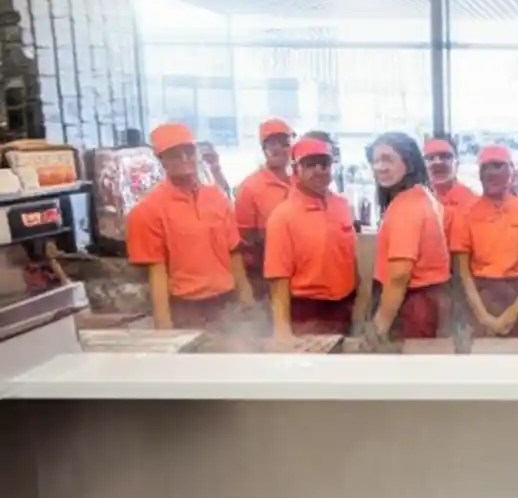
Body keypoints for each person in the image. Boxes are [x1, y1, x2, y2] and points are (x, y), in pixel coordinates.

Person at [126, 123, 253, 330]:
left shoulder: (216, 198)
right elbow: (156, 273)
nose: (185, 159)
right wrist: (164, 328)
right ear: (162, 161)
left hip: (227, 304)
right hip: (186, 309)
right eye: (175, 155)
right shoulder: (148, 211)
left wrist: (246, 297)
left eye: (188, 152)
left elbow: (234, 252)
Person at [263, 138, 358, 338]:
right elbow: (278, 278)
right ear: (296, 169)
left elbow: (350, 259)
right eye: (310, 164)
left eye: (324, 164)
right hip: (306, 311)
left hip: (344, 305)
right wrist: (282, 330)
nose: (318, 170)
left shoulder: (342, 205)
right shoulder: (283, 216)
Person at [368, 132, 451, 340]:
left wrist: (379, 326)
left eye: (388, 159)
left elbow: (398, 276)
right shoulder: (422, 195)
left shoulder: (406, 206)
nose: (380, 167)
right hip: (424, 302)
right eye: (375, 160)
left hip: (410, 306)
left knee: (406, 369)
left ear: (409, 162)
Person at [452, 145, 518, 338]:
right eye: (485, 167)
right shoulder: (465, 213)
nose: (491, 173)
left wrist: (514, 311)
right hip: (480, 296)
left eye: (498, 166)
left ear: (512, 170)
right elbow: (464, 274)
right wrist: (483, 317)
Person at [234, 118, 294, 296]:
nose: (278, 148)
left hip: (300, 275)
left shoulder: (301, 183)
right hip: (265, 277)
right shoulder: (250, 187)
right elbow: (243, 241)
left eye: (284, 143)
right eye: (272, 143)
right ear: (263, 148)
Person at [424, 135, 477, 215]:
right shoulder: (412, 204)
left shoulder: (473, 204)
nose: (438, 162)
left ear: (457, 164)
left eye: (445, 156)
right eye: (430, 158)